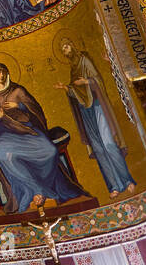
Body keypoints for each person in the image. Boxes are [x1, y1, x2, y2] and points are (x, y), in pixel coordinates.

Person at [0, 61, 87, 214]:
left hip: (25, 129)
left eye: (3, 72)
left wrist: (19, 106)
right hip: (4, 133)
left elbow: (35, 109)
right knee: (4, 154)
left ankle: (44, 186)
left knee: (50, 150)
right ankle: (37, 190)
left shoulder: (18, 91)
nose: (1, 75)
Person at [55, 37, 136, 198]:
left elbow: (97, 79)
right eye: (63, 49)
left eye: (66, 46)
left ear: (72, 45)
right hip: (85, 109)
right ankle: (113, 185)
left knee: (108, 143)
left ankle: (127, 181)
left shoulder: (84, 60)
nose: (66, 50)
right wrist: (66, 88)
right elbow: (76, 91)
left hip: (98, 105)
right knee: (98, 149)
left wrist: (87, 81)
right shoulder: (73, 68)